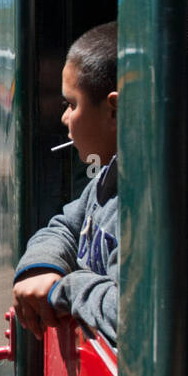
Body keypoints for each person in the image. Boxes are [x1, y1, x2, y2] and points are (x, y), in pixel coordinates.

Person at [13, 22, 118, 345]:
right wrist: (41, 266)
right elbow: (65, 226)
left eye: (71, 104)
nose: (64, 118)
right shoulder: (108, 178)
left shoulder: (149, 204)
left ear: (115, 110)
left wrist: (63, 289)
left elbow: (137, 315)